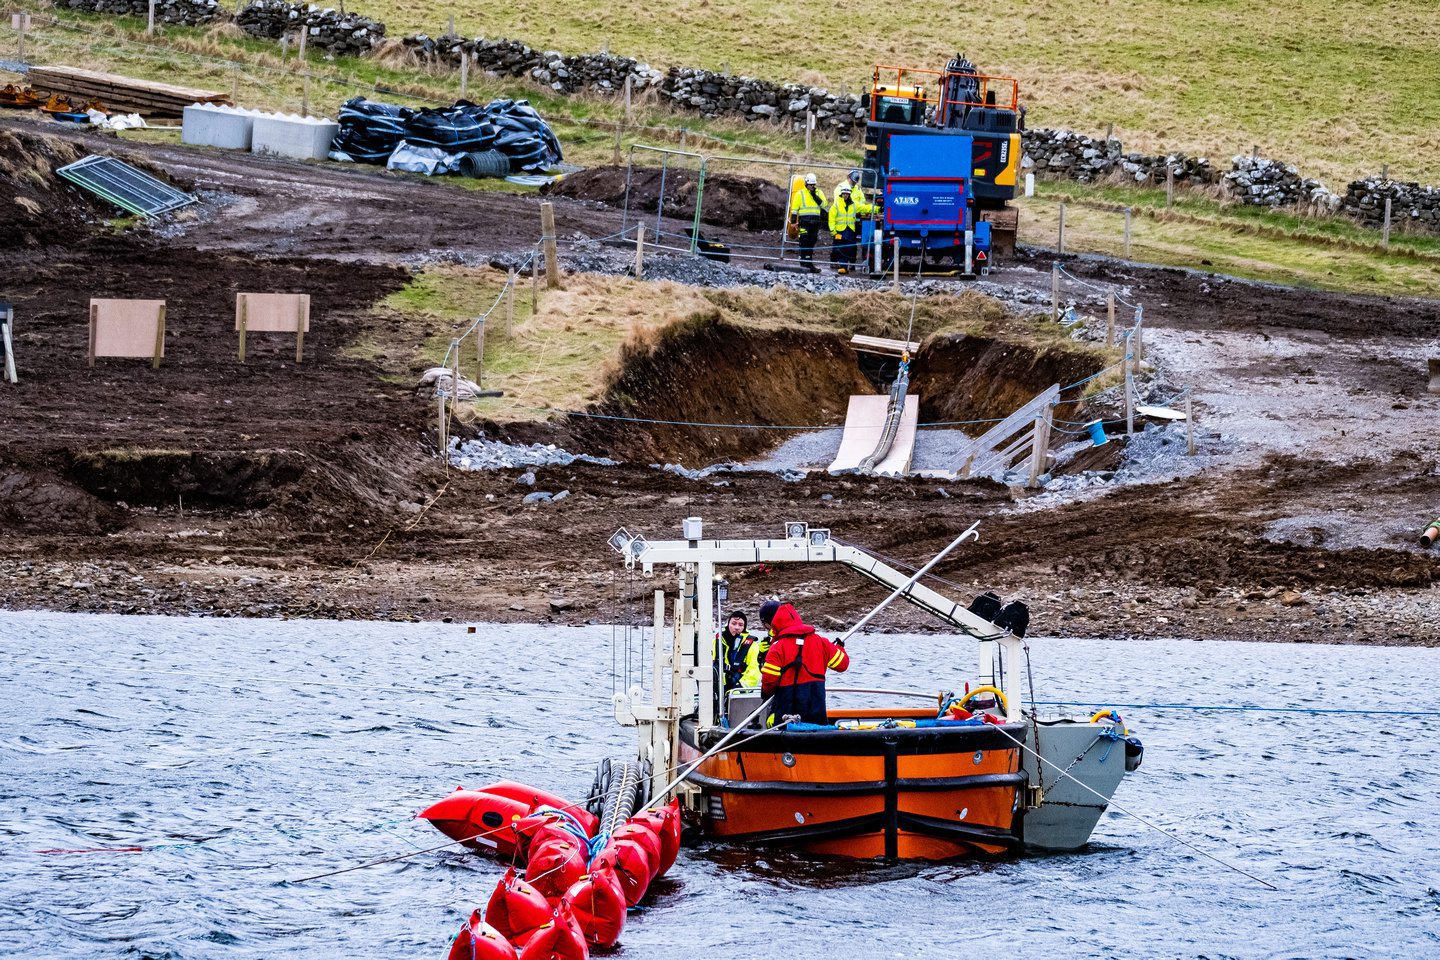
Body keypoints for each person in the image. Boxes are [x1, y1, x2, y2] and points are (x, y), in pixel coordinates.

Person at [758, 601, 850, 726]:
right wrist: (839, 647)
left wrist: (766, 693)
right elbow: (842, 664)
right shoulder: (821, 642)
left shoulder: (777, 647)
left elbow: (769, 683)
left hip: (787, 712)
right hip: (816, 709)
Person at [787, 173, 828, 272]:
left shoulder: (819, 193)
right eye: (810, 185)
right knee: (804, 241)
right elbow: (794, 209)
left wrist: (815, 196)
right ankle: (804, 263)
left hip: (815, 222)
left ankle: (808, 263)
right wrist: (793, 222)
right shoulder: (800, 193)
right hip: (804, 222)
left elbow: (824, 205)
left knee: (812, 242)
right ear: (806, 184)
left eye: (813, 185)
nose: (812, 187)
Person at [828, 184, 860, 274]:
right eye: (844, 194)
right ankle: (843, 266)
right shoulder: (836, 205)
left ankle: (851, 264)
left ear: (849, 194)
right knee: (841, 249)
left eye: (847, 194)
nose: (845, 195)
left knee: (851, 248)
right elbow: (831, 219)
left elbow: (864, 207)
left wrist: (876, 208)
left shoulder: (853, 205)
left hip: (850, 231)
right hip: (840, 231)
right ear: (841, 194)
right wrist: (833, 231)